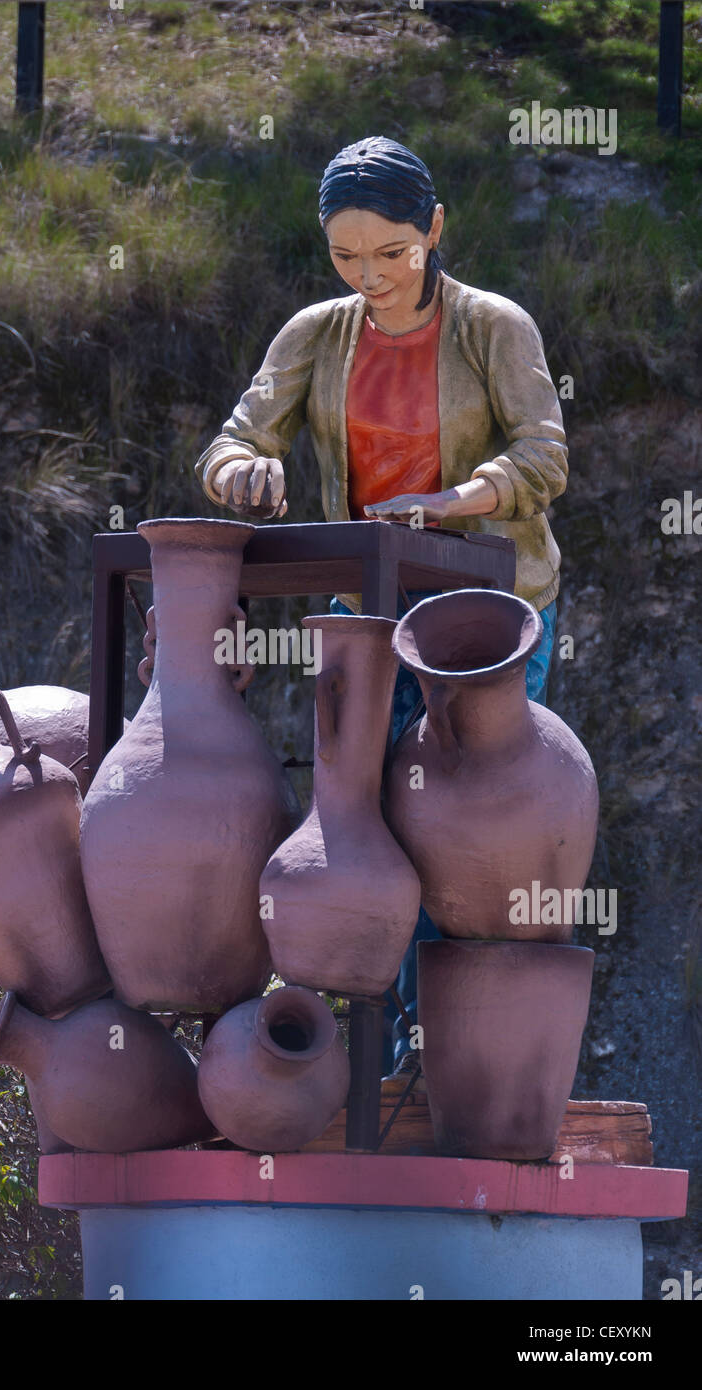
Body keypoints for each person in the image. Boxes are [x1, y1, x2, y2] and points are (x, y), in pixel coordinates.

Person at [195, 135, 567, 1074]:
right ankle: (390, 1048)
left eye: (393, 253)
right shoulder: (316, 334)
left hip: (486, 613)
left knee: (467, 830)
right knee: (366, 821)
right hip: (368, 618)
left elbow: (544, 456)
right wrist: (246, 473)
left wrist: (455, 501)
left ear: (435, 229)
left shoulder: (495, 327)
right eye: (346, 256)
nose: (371, 276)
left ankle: (475, 1047)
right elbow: (232, 441)